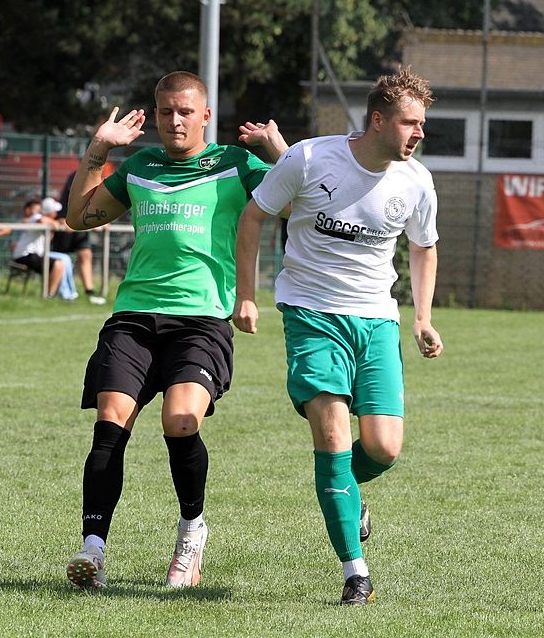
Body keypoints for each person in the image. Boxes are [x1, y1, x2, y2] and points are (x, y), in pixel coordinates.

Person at [233, 68, 444, 606]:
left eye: (422, 123)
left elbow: (423, 246)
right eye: (409, 123)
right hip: (312, 314)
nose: (418, 133)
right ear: (378, 119)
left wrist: (422, 318)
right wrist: (247, 294)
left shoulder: (416, 180)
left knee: (383, 448)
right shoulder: (307, 157)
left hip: (377, 322)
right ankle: (356, 572)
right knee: (330, 438)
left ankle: (344, 494)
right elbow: (255, 217)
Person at [63, 70, 279, 590]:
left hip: (202, 320)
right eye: (166, 111)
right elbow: (79, 217)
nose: (174, 120)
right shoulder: (139, 166)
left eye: (185, 111)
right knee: (111, 420)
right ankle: (93, 551)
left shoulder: (234, 163)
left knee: (182, 420)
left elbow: (299, 198)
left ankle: (191, 533)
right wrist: (97, 152)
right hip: (134, 316)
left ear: (206, 115)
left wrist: (279, 153)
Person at [50, 175, 107, 304]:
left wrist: (103, 218)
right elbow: (79, 198)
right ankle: (58, 292)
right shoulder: (78, 175)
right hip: (68, 221)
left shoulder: (100, 177)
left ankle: (89, 292)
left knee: (86, 254)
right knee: (62, 258)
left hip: (82, 222)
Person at [10, 199, 78, 300]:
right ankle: (50, 295)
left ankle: (58, 294)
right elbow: (42, 220)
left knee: (63, 261)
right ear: (48, 212)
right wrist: (55, 223)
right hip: (25, 255)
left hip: (36, 255)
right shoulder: (36, 217)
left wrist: (58, 223)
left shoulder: (47, 220)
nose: (56, 214)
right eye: (54, 212)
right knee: (58, 264)